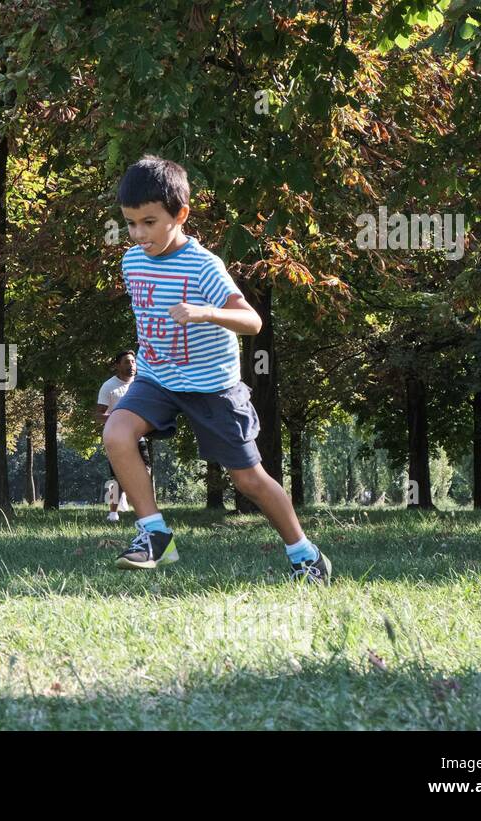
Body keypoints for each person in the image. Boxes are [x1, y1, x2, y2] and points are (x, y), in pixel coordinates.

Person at [103, 155, 331, 583]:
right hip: (157, 377)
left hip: (212, 387)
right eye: (131, 223)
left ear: (180, 215)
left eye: (149, 222)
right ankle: (154, 535)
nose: (138, 234)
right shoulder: (132, 263)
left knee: (248, 479)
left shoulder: (203, 266)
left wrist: (206, 312)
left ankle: (305, 554)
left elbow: (253, 321)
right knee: (116, 433)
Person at [97, 350, 151, 522]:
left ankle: (139, 506)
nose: (131, 366)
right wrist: (119, 417)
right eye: (127, 362)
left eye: (133, 362)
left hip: (138, 436)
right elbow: (98, 416)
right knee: (117, 477)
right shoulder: (108, 386)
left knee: (145, 471)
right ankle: (113, 513)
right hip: (116, 437)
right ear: (117, 365)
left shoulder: (141, 384)